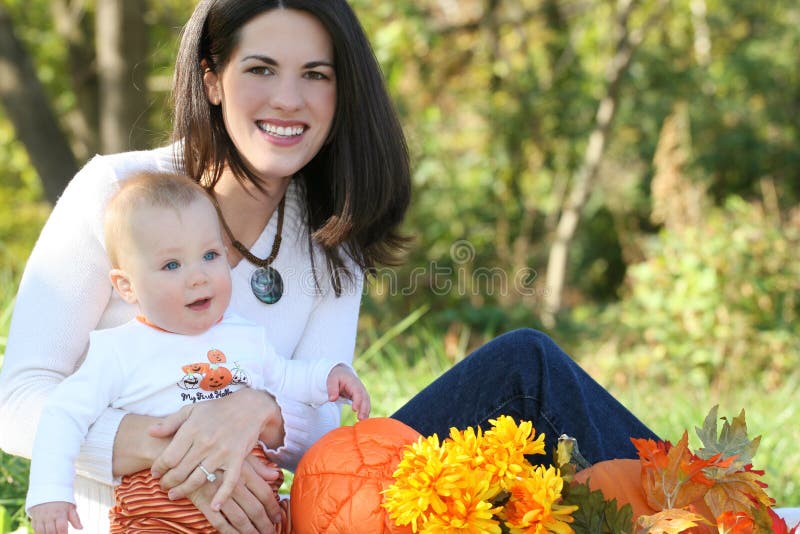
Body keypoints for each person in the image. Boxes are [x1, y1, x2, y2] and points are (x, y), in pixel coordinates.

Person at [0, 1, 659, 533]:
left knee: (525, 369)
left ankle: (714, 509)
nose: (289, 98)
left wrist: (252, 406)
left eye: (316, 74)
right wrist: (172, 445)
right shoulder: (117, 193)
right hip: (134, 519)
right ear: (211, 78)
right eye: (260, 68)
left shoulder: (329, 234)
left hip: (281, 517)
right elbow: (16, 402)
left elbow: (313, 445)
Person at [25, 171, 370, 534]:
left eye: (209, 255)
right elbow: (63, 414)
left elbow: (285, 377)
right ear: (127, 286)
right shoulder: (120, 349)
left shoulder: (244, 336)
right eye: (172, 265)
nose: (198, 276)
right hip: (162, 514)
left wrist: (328, 376)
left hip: (255, 511)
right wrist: (50, 491)